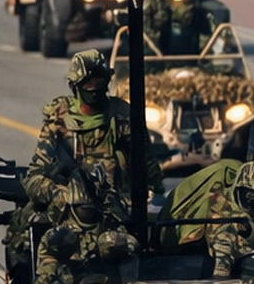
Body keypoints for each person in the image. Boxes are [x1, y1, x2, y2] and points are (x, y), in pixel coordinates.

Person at [24, 50, 162, 214]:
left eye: (100, 81)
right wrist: (62, 194)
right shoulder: (59, 120)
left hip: (118, 209)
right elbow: (33, 179)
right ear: (76, 86)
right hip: (70, 212)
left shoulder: (122, 116)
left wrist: (152, 195)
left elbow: (148, 166)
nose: (95, 88)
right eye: (89, 83)